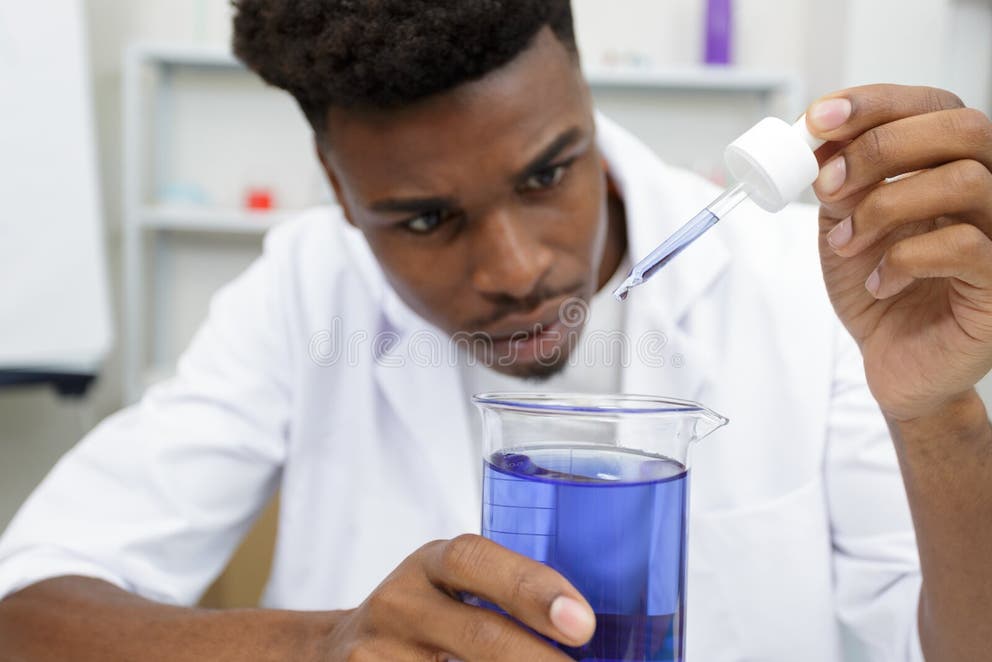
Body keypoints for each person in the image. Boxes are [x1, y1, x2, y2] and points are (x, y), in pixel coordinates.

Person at [1, 2, 991, 660]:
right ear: (338, 190)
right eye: (425, 219)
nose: (516, 270)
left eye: (546, 172)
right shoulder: (306, 289)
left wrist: (938, 412)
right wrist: (326, 643)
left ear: (583, 94)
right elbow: (27, 607)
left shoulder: (801, 286)